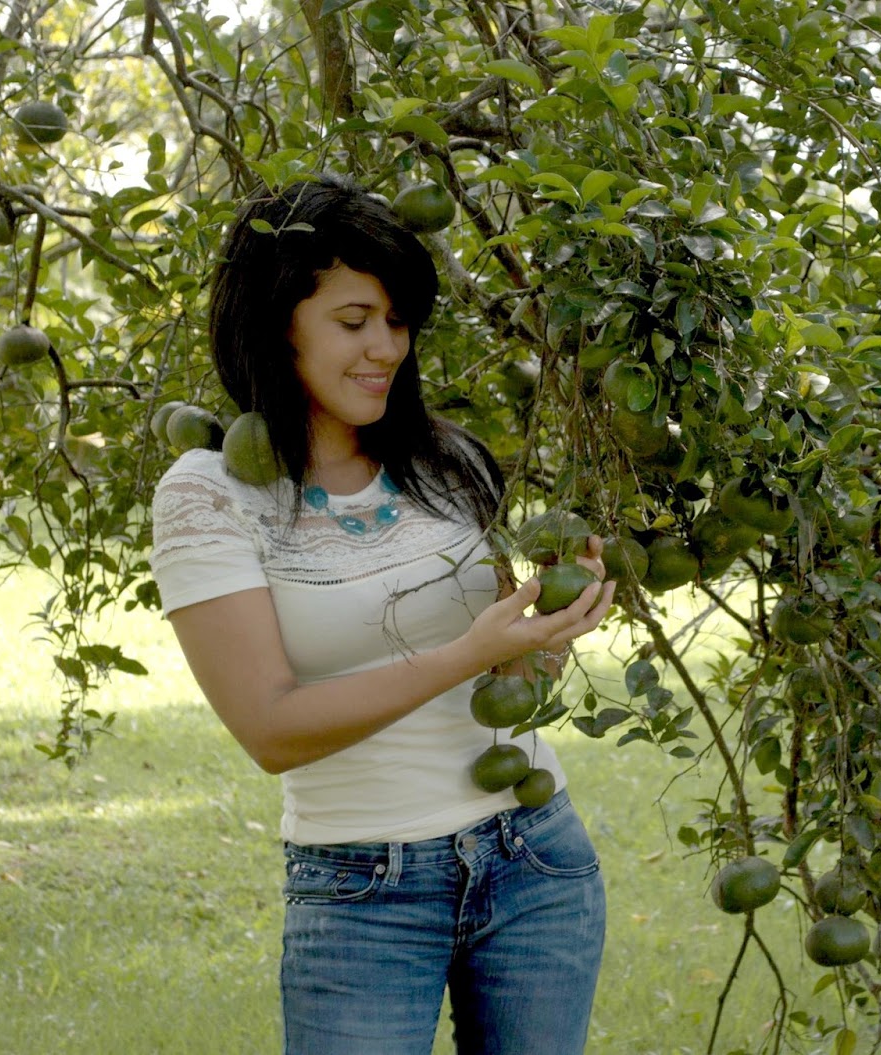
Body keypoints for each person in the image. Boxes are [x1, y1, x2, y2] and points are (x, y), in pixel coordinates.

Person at [149, 175, 617, 1054]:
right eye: (354, 320)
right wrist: (466, 651)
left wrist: (550, 626)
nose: (385, 347)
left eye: (398, 321)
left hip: (534, 860)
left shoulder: (446, 461)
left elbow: (507, 679)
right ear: (277, 321)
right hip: (365, 889)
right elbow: (270, 729)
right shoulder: (209, 494)